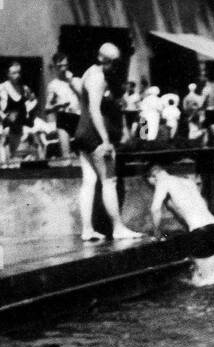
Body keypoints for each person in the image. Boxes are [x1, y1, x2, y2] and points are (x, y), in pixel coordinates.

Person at [76, 43, 141, 243]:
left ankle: (87, 230)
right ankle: (118, 227)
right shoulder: (97, 78)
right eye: (112, 62)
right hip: (94, 136)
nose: (113, 66)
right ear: (102, 58)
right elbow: (95, 110)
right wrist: (105, 140)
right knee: (109, 181)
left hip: (82, 133)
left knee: (89, 181)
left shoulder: (89, 73)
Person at [144, 159, 214, 287]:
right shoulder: (187, 181)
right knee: (213, 275)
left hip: (201, 233)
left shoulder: (163, 182)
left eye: (149, 183)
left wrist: (157, 233)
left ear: (152, 177)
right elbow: (196, 206)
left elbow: (155, 209)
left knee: (207, 282)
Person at [0, 62, 37, 164]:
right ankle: (4, 165)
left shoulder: (24, 88)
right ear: (8, 74)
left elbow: (34, 100)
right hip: (9, 127)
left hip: (21, 127)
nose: (17, 75)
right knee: (7, 145)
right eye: (14, 73)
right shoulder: (1, 88)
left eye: (19, 72)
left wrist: (28, 109)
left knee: (23, 158)